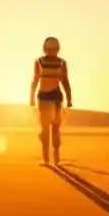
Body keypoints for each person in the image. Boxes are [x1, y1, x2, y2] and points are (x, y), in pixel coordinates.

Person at [29, 36, 72, 165]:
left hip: (50, 97)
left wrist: (31, 97)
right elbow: (65, 82)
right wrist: (69, 98)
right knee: (52, 128)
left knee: (49, 128)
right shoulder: (45, 62)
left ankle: (49, 157)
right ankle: (51, 157)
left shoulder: (44, 62)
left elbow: (36, 80)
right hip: (50, 97)